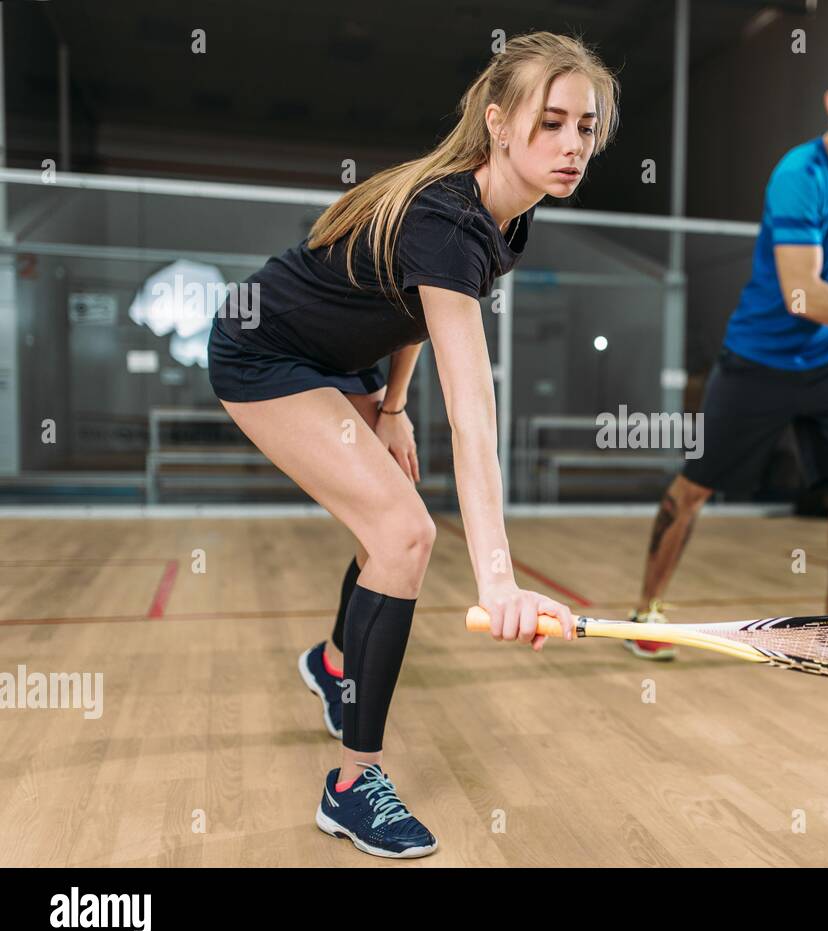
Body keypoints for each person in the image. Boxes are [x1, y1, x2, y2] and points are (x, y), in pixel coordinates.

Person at [206, 32, 616, 857]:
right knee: (406, 531)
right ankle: (352, 784)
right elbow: (474, 414)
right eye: (553, 122)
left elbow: (415, 311)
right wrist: (497, 576)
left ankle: (332, 664)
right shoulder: (449, 215)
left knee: (386, 523)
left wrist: (393, 404)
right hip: (262, 350)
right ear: (499, 124)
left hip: (341, 356)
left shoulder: (508, 216)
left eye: (587, 126)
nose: (573, 145)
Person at [625, 38, 828, 660]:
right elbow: (802, 296)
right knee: (694, 488)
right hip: (758, 361)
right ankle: (648, 611)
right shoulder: (799, 176)